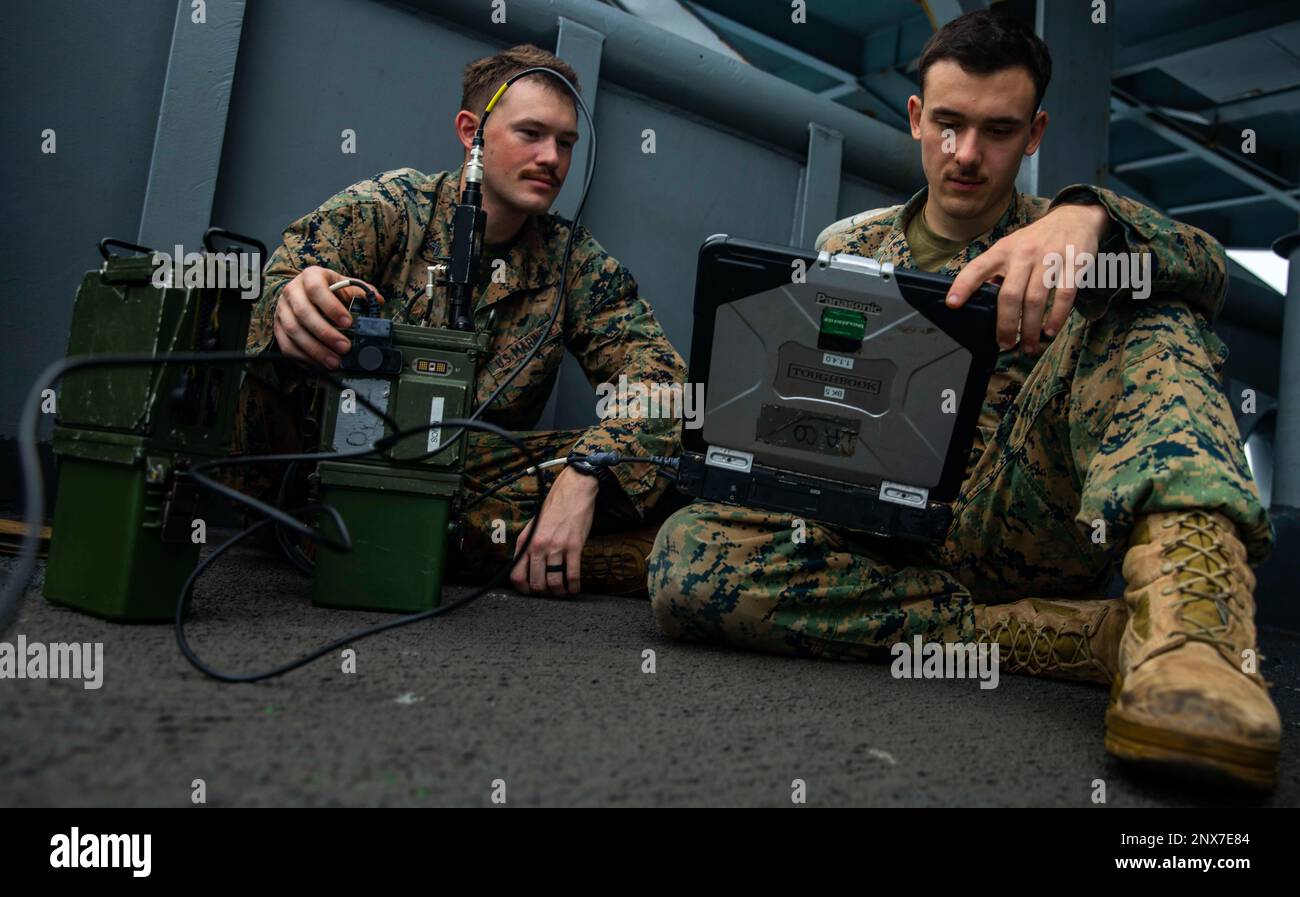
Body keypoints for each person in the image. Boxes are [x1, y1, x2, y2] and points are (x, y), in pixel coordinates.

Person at [647, 10, 1279, 790]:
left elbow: (1208, 271)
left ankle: (1195, 639)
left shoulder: (1069, 237)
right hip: (874, 531)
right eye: (947, 124)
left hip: (1019, 522)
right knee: (688, 557)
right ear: (916, 117)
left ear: (1036, 132)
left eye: (999, 131)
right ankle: (1038, 638)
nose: (968, 155)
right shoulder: (850, 245)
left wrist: (1093, 218)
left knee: (1152, 303)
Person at [235, 44, 689, 598]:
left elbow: (659, 384)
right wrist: (289, 300)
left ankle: (418, 540)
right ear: (471, 132)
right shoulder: (391, 209)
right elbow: (279, 285)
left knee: (676, 464)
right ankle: (586, 556)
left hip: (465, 475)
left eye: (566, 143)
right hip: (329, 463)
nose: (552, 157)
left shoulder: (574, 262)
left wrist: (587, 469)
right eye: (531, 133)